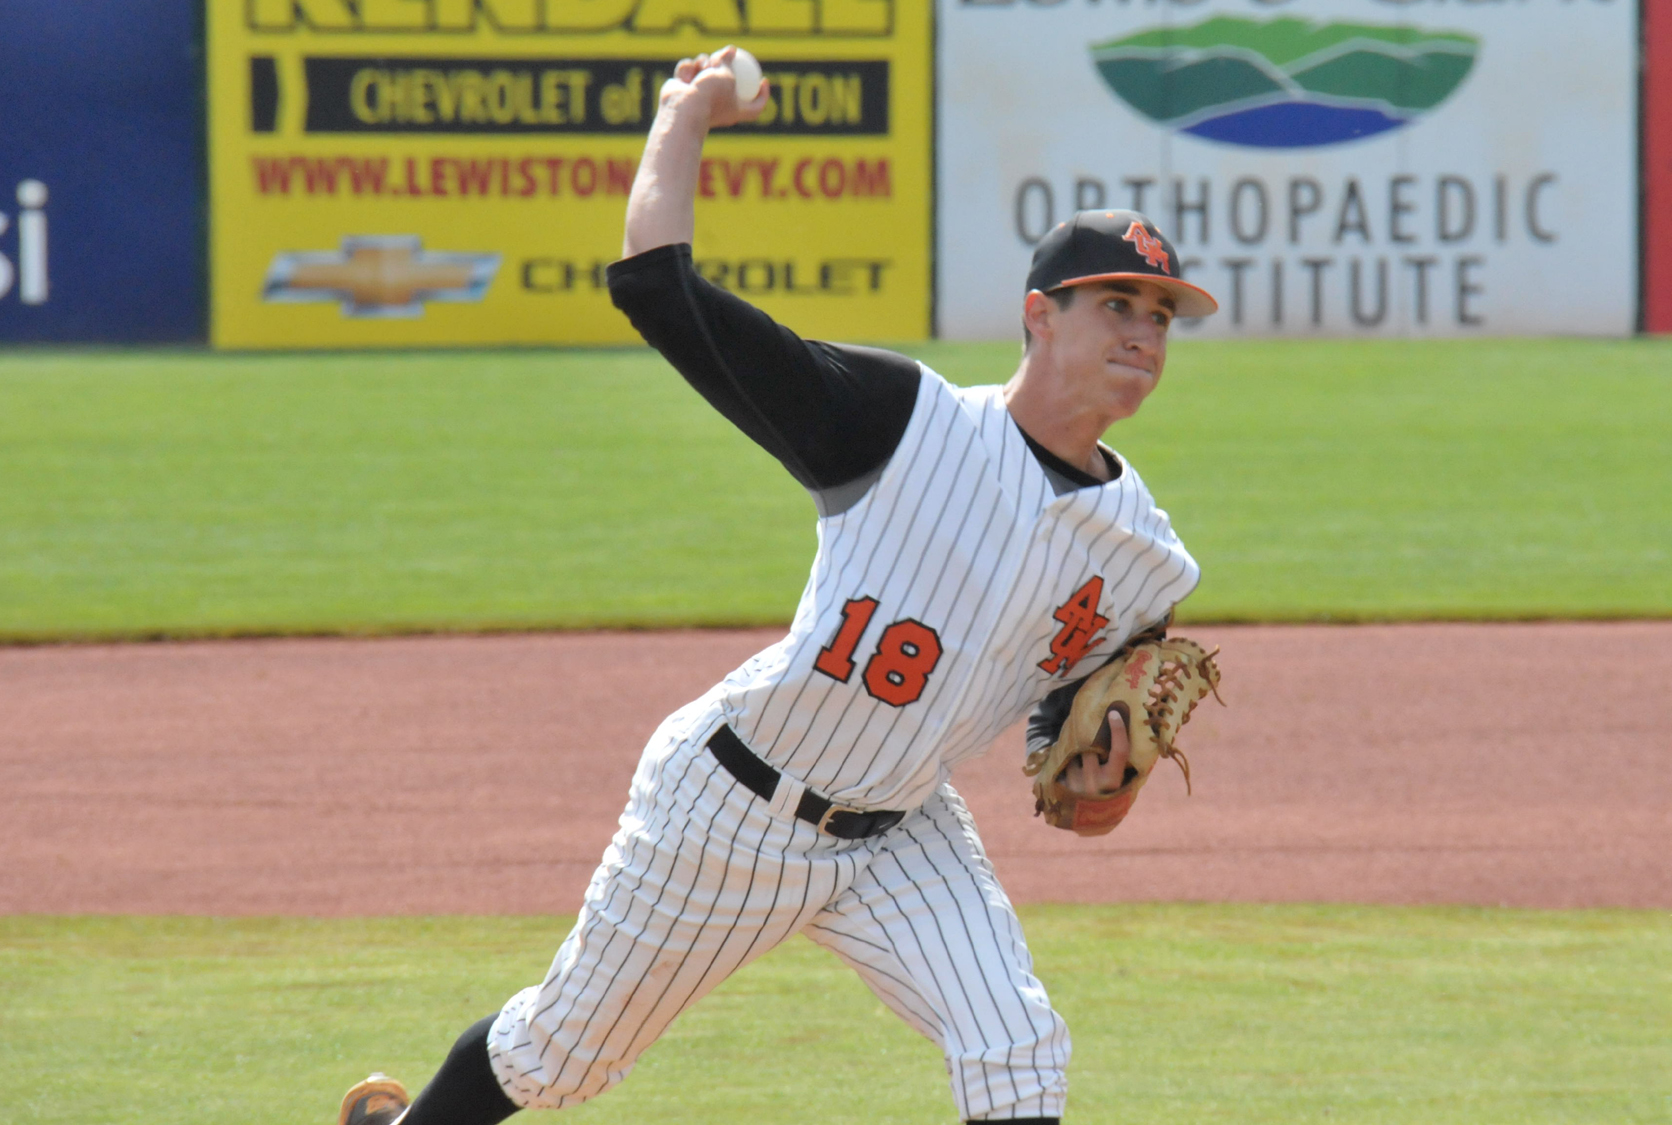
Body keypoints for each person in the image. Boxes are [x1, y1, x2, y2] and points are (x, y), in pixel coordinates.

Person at [337, 46, 1217, 1125]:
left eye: (1160, 315)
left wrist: (1101, 786)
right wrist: (685, 113)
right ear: (1040, 314)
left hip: (902, 827)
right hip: (731, 808)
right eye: (1116, 301)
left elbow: (1064, 756)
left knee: (1017, 1048)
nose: (1141, 331)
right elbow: (659, 290)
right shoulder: (899, 421)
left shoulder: (1145, 558)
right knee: (555, 1060)